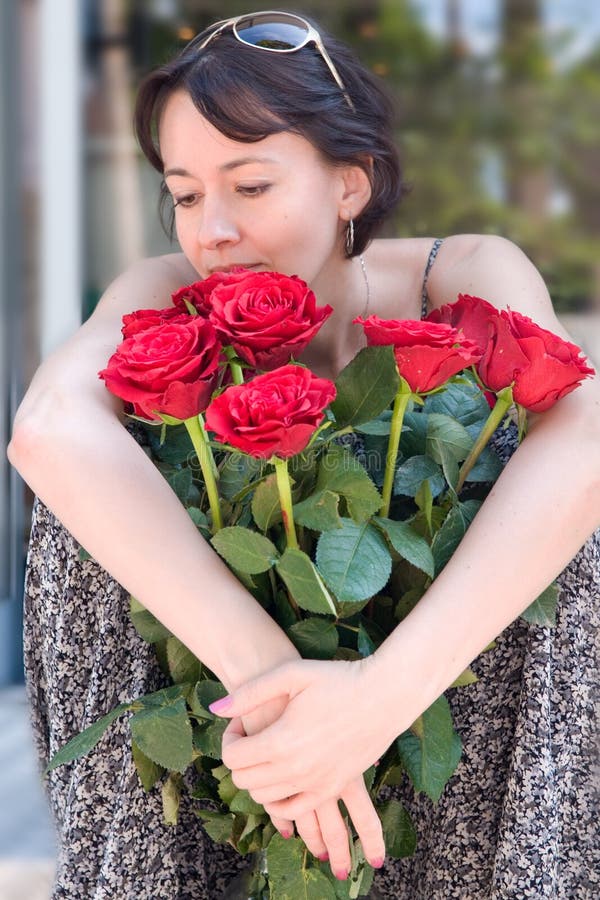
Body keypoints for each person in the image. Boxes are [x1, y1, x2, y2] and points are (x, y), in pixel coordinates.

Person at [8, 10, 599, 899]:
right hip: (233, 726)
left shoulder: (463, 270)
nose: (210, 231)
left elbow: (589, 441)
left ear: (350, 185)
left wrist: (377, 699)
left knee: (548, 482)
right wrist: (273, 688)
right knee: (82, 500)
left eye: (248, 186)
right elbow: (46, 430)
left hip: (457, 698)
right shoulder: (165, 290)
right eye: (185, 192)